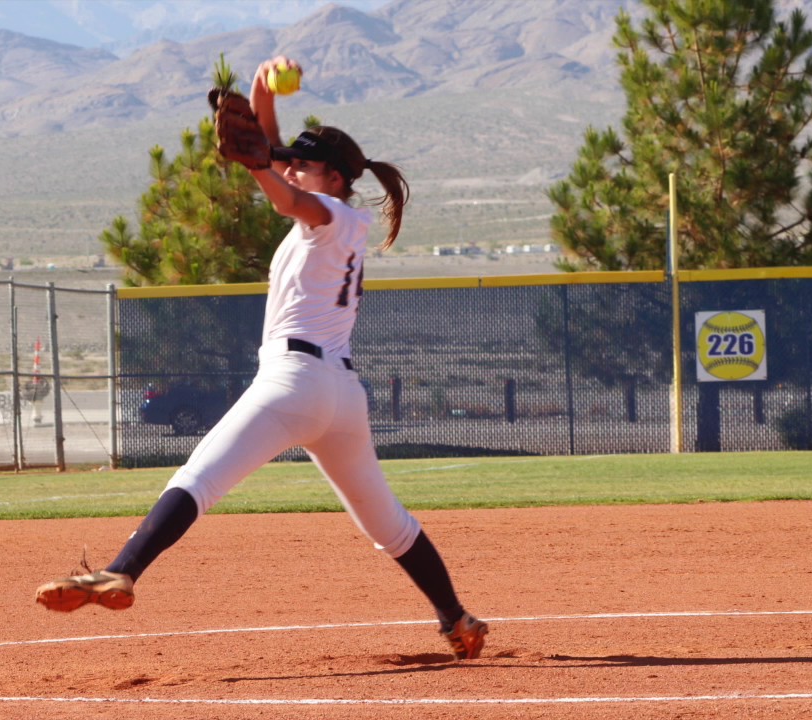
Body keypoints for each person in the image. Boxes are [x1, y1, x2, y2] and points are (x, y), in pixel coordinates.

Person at [35, 56, 488, 661]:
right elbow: (277, 164)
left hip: (293, 382)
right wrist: (259, 87)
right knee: (388, 525)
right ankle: (457, 618)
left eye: (304, 164)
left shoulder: (330, 215)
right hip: (340, 396)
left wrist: (257, 165)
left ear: (334, 178)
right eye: (289, 161)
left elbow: (284, 197)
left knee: (199, 477)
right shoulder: (337, 219)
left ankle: (121, 571)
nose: (290, 167)